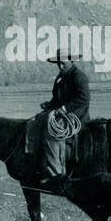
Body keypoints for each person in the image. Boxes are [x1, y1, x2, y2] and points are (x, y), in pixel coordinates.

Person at [39, 49, 90, 184]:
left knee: (52, 133)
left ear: (71, 61)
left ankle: (57, 175)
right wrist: (49, 104)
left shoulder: (78, 76)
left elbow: (84, 98)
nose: (60, 66)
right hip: (62, 113)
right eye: (58, 64)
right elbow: (57, 98)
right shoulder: (61, 77)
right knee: (37, 121)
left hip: (76, 116)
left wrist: (64, 108)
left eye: (63, 63)